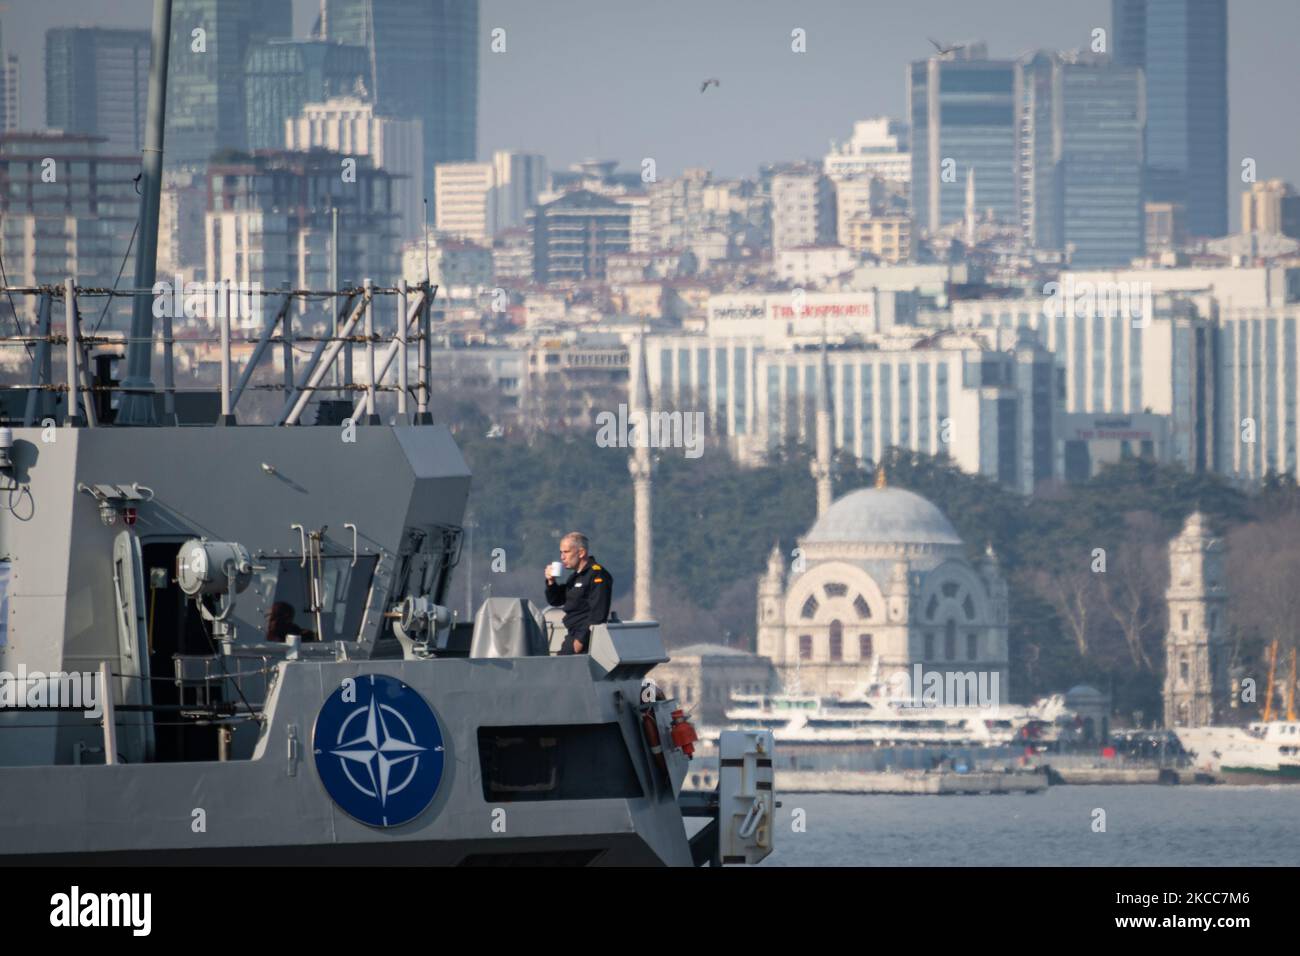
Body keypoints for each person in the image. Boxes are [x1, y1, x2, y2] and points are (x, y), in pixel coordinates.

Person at [544, 532, 612, 655]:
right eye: (561, 552)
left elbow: (598, 612)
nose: (562, 557)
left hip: (585, 637)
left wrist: (580, 641)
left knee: (560, 668)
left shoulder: (597, 575)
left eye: (566, 552)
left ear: (581, 553)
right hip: (573, 632)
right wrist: (551, 582)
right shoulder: (575, 577)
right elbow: (556, 600)